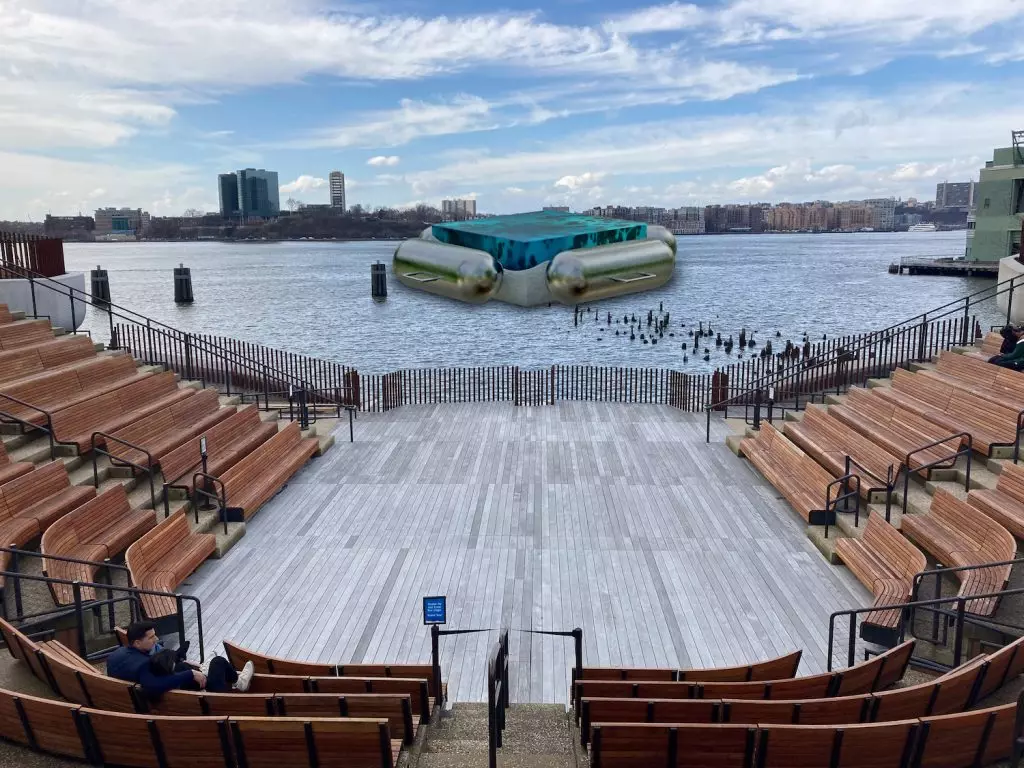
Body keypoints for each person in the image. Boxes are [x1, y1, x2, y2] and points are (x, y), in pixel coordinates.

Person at [107, 621, 254, 697]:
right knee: (219, 662)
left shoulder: (115, 656)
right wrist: (190, 674)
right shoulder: (143, 666)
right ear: (137, 642)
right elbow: (153, 685)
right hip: (202, 698)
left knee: (182, 665)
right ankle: (238, 682)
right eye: (151, 637)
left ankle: (202, 669)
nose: (156, 639)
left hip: (171, 696)